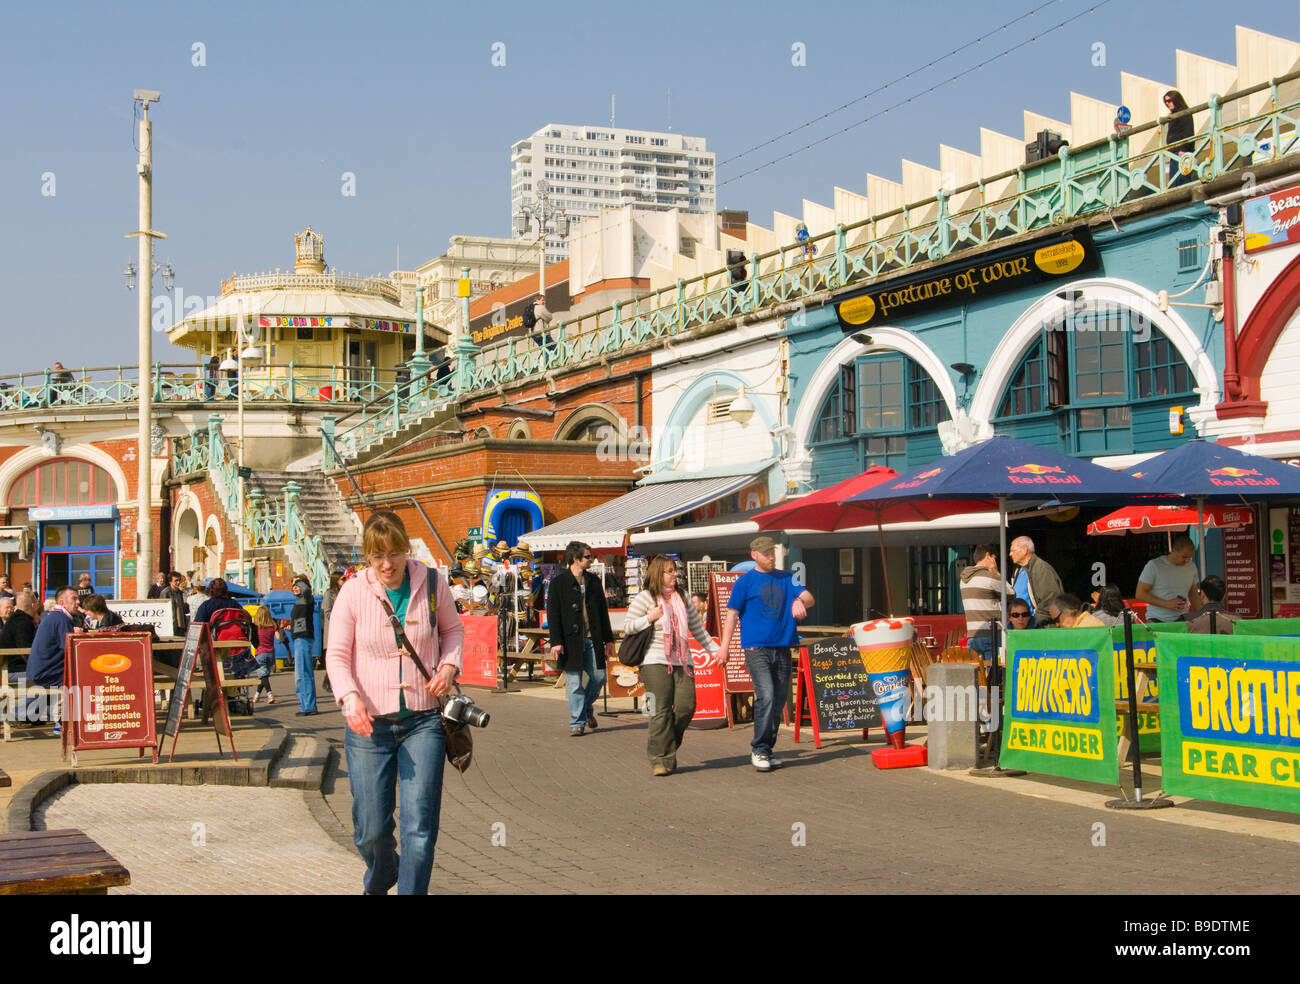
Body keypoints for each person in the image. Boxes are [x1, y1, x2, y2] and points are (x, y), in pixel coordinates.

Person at [326, 509, 464, 896]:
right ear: (366, 557)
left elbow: (453, 631)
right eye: (377, 556)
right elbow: (336, 654)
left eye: (394, 553)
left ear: (406, 548)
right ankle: (382, 875)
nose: (387, 564)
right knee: (370, 829)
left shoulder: (433, 583)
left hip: (423, 721)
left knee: (420, 825)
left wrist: (450, 665)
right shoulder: (353, 593)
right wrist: (349, 697)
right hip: (369, 724)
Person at [717, 536, 815, 773]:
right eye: (766, 553)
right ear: (754, 555)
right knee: (767, 695)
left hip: (782, 646)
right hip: (755, 647)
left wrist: (799, 602)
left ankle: (767, 749)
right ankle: (759, 749)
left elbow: (810, 597)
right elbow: (731, 615)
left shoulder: (786, 577)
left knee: (779, 699)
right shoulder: (745, 583)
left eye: (772, 552)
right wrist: (724, 647)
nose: (770, 556)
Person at [624, 555, 720, 776]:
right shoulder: (645, 597)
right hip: (654, 660)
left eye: (675, 570)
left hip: (682, 661)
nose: (674, 574)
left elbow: (698, 630)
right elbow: (628, 627)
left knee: (687, 706)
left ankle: (666, 747)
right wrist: (649, 618)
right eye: (669, 571)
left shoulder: (683, 597)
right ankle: (660, 759)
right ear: (658, 574)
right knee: (660, 709)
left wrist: (716, 652)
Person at [547, 541, 614, 737]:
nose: (591, 559)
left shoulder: (593, 581)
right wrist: (556, 641)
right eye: (587, 556)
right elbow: (553, 614)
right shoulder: (558, 583)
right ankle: (577, 722)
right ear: (575, 559)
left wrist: (608, 639)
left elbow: (603, 612)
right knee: (574, 683)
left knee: (600, 676)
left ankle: (584, 708)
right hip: (570, 641)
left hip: (593, 638)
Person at [24, 586, 82, 729]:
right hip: (46, 672)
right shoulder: (61, 619)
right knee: (78, 678)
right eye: (74, 599)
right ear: (62, 602)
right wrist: (80, 637)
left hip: (40, 669)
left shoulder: (56, 616)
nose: (78, 602)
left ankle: (62, 720)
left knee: (73, 676)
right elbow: (69, 649)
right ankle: (62, 723)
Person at [1135, 535, 1198, 623]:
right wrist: (1166, 603)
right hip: (1157, 619)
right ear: (1173, 551)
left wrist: (1203, 615)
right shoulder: (1154, 566)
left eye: (1190, 557)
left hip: (1182, 618)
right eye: (1184, 557)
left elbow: (1193, 595)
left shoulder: (1191, 567)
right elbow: (1140, 594)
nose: (1187, 560)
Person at [958, 544, 1004, 662]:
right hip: (991, 634)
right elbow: (1011, 594)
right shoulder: (989, 578)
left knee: (978, 676)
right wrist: (996, 572)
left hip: (973, 635)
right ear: (988, 556)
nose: (995, 561)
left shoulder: (964, 580)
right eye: (995, 558)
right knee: (994, 675)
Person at [1008, 536, 1062, 622]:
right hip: (1023, 625)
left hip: (1039, 628)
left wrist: (1035, 622)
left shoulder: (1042, 569)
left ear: (1024, 550)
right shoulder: (1018, 571)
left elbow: (1050, 600)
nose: (1010, 554)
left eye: (1013, 551)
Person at [289, 576, 318, 715]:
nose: (294, 586)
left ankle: (308, 706)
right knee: (302, 673)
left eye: (297, 584)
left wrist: (300, 581)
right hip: (300, 638)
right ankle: (307, 705)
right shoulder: (300, 601)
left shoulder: (306, 598)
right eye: (293, 584)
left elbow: (306, 589)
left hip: (303, 638)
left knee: (302, 673)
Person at [0, 590, 40, 673]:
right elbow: (26, 652)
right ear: (33, 605)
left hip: (12, 669)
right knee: (51, 678)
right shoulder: (22, 623)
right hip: (16, 671)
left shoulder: (16, 619)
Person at [250, 606, 284, 703]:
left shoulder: (257, 628)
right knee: (263, 676)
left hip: (261, 654)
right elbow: (278, 638)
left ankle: (270, 695)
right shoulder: (273, 626)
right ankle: (256, 696)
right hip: (271, 654)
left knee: (263, 676)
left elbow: (253, 640)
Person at [1163, 89, 1195, 187]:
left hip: (1181, 152)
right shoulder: (1173, 115)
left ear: (1176, 100)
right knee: (1175, 183)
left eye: (1169, 101)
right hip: (1174, 152)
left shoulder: (1184, 113)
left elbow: (1188, 132)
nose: (1167, 104)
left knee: (1181, 181)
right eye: (1165, 102)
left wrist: (1184, 149)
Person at [160, 571, 189, 638]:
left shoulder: (181, 593)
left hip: (181, 625)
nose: (178, 582)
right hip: (171, 626)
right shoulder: (165, 593)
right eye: (176, 580)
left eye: (179, 580)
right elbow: (163, 611)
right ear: (170, 582)